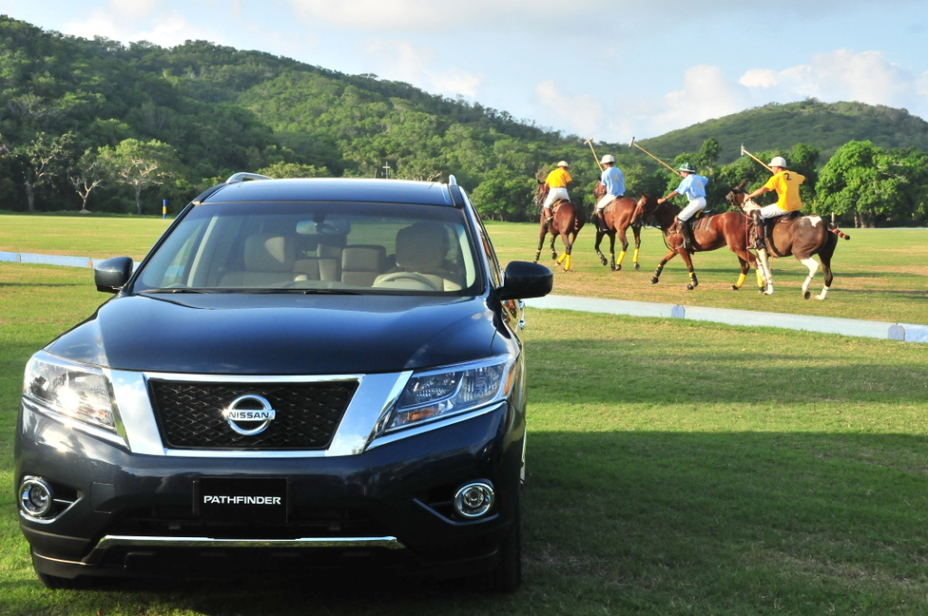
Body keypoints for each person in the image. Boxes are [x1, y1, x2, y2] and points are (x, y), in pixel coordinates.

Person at [745, 156, 806, 246]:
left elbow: (763, 189)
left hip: (784, 206)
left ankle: (759, 241)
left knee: (757, 214)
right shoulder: (794, 174)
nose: (772, 169)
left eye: (773, 167)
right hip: (797, 206)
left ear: (777, 167)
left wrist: (750, 195)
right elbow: (805, 179)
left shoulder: (776, 178)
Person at [658, 162, 707, 251]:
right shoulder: (700, 178)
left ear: (686, 172)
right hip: (703, 201)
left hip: (695, 202)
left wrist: (664, 199)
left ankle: (687, 242)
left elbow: (677, 192)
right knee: (689, 218)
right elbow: (705, 179)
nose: (680, 173)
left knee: (680, 219)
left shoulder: (687, 180)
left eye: (681, 172)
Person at [594, 154, 625, 233]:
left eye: (604, 164)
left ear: (606, 164)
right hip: (621, 194)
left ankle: (603, 227)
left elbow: (603, 185)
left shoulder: (605, 173)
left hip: (612, 194)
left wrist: (605, 176)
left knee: (598, 207)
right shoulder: (619, 170)